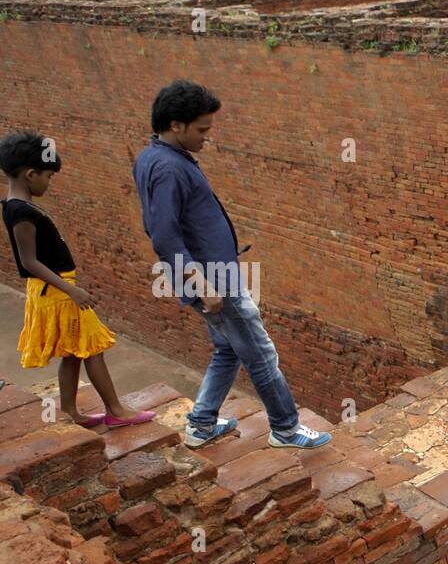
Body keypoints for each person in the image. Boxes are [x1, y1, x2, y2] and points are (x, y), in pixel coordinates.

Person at [132, 79, 330, 451]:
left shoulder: (153, 157)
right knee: (260, 353)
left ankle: (202, 423)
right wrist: (201, 282)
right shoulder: (169, 168)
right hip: (212, 278)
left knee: (227, 349)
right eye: (202, 129)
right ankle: (286, 429)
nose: (207, 137)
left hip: (212, 273)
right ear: (176, 125)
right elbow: (163, 235)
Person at [1, 131, 153, 429]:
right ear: (31, 174)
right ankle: (117, 411)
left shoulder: (14, 204)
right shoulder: (21, 212)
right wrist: (72, 290)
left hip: (52, 289)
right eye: (48, 176)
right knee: (93, 348)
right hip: (57, 290)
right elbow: (29, 261)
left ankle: (70, 413)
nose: (49, 182)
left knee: (73, 353)